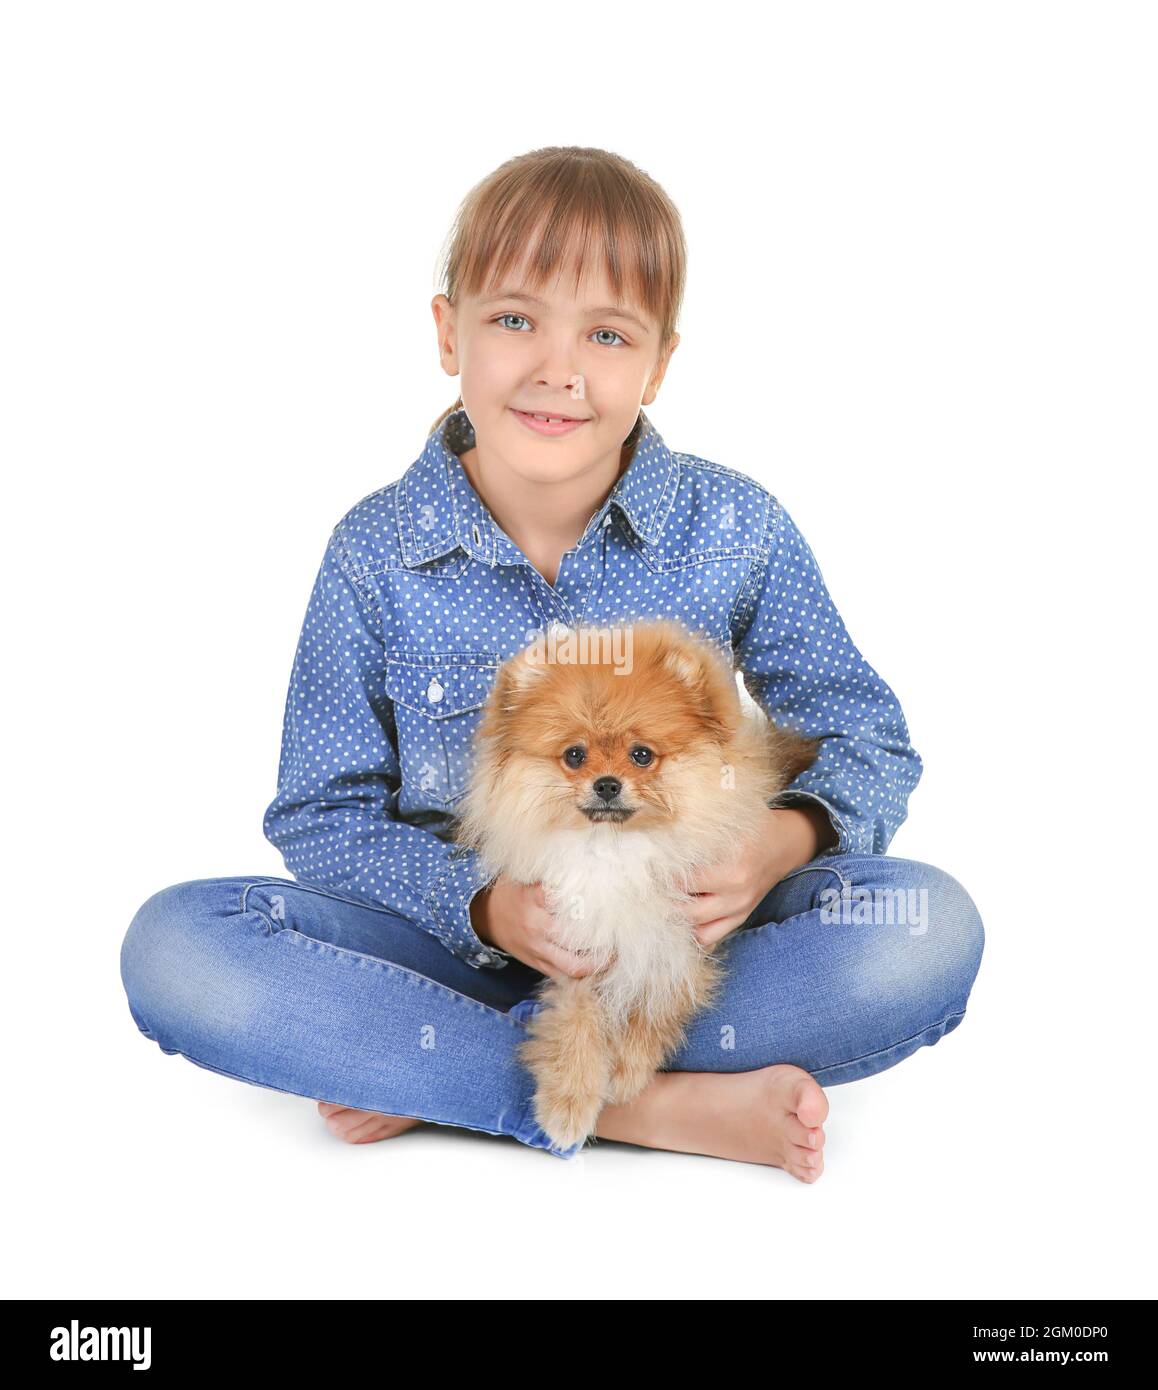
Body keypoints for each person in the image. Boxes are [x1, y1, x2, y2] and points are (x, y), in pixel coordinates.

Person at [120, 146, 984, 1182]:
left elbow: (865, 733)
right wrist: (486, 905)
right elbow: (320, 813)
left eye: (607, 334)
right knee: (177, 947)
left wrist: (778, 842)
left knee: (921, 927)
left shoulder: (735, 530)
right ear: (450, 331)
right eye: (516, 318)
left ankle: (430, 1071)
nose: (557, 369)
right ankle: (644, 1107)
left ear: (659, 361)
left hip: (684, 962)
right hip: (439, 957)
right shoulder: (375, 552)